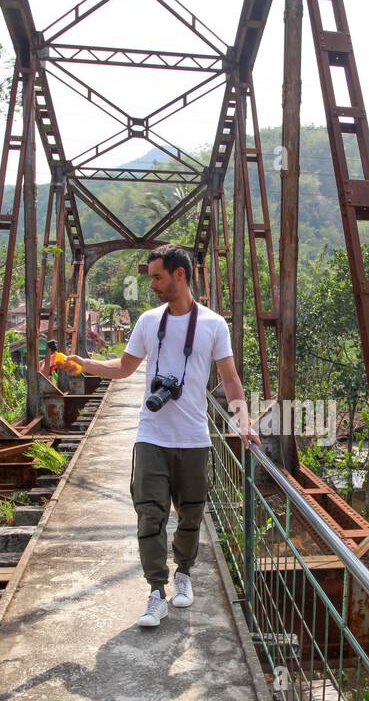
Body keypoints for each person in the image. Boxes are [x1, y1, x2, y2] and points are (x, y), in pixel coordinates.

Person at [67, 244, 255, 628]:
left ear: (179, 275)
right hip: (151, 436)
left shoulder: (213, 325)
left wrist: (244, 420)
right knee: (150, 515)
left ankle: (183, 572)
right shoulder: (149, 321)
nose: (152, 284)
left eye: (157, 277)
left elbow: (230, 378)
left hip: (194, 438)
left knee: (191, 515)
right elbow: (124, 368)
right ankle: (156, 592)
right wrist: (84, 364)